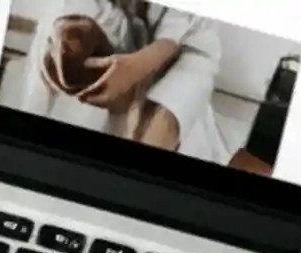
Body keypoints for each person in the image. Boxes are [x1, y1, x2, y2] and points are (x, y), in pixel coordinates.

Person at [20, 0, 222, 158]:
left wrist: (134, 68)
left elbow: (173, 34)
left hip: (188, 44)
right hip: (117, 20)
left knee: (160, 125)